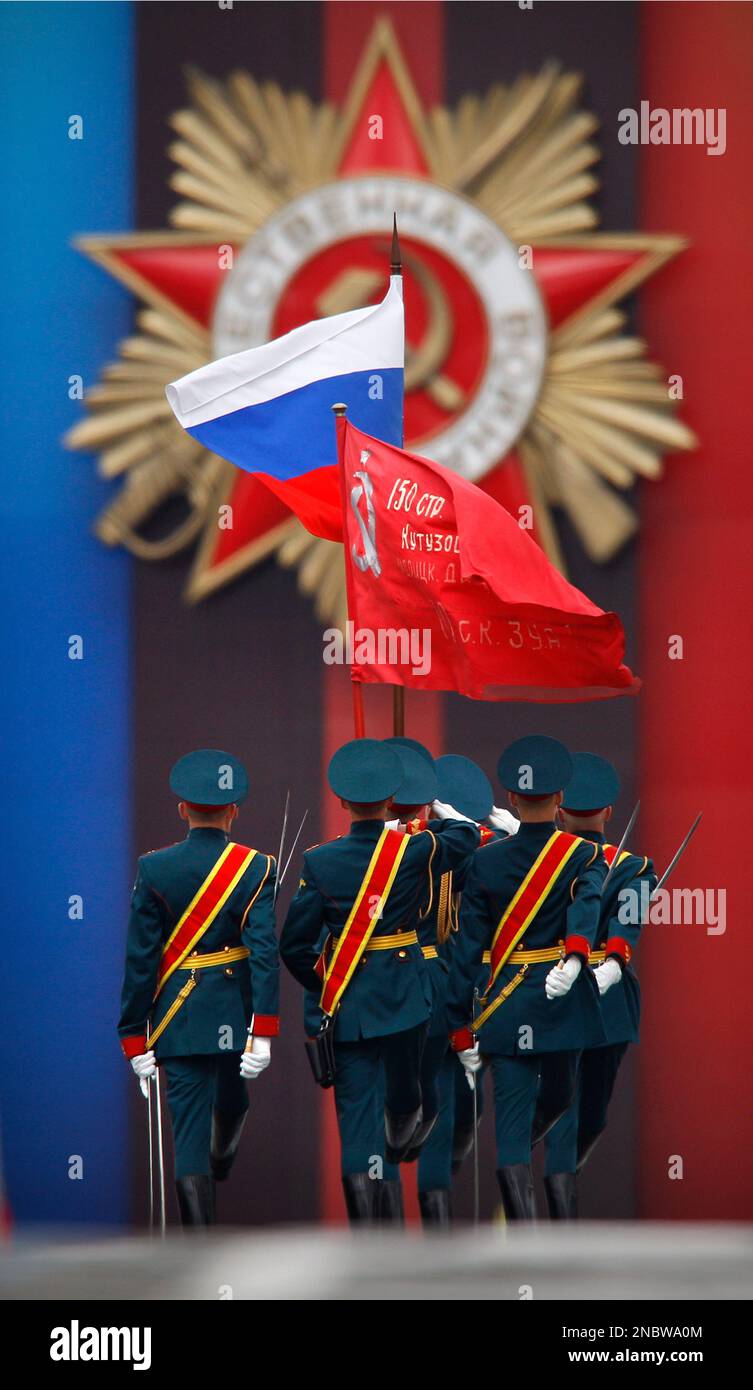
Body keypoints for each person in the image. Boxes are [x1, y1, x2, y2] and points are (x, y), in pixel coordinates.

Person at [280, 737, 479, 1224]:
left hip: (347, 1004)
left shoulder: (320, 860)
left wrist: (328, 983)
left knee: (355, 1128)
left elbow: (295, 945)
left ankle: (369, 1240)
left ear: (343, 801)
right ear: (393, 799)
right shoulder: (413, 852)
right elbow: (468, 838)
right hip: (408, 998)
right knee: (406, 1096)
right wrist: (441, 809)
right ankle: (401, 1131)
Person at [446, 735, 606, 1221]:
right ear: (560, 800)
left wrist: (460, 1027)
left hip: (505, 1000)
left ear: (511, 799)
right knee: (557, 1097)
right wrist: (577, 956)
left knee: (512, 1126)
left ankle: (524, 1238)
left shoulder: (483, 859)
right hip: (562, 999)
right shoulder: (583, 855)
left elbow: (467, 948)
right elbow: (588, 908)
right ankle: (529, 1236)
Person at [117, 749, 279, 1227]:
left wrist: (133, 1036)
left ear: (182, 809)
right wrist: (263, 1029)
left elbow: (140, 959)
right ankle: (218, 1165)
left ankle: (195, 1249)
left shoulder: (154, 869)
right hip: (234, 1012)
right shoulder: (256, 868)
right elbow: (264, 954)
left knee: (192, 1136)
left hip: (176, 1015)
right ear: (234, 811)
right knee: (228, 1108)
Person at [542, 752, 656, 1218]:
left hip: (586, 996)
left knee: (584, 1112)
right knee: (572, 1111)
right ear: (609, 811)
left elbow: (628, 920)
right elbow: (630, 922)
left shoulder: (634, 866)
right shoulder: (548, 861)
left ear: (560, 808)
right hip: (565, 994)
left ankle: (561, 1176)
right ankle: (560, 1203)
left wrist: (610, 961)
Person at [415, 752, 518, 1226]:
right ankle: (435, 1216)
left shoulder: (495, 846)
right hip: (434, 987)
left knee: (466, 1109)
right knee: (441, 1102)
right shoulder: (409, 847)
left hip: (482, 986)